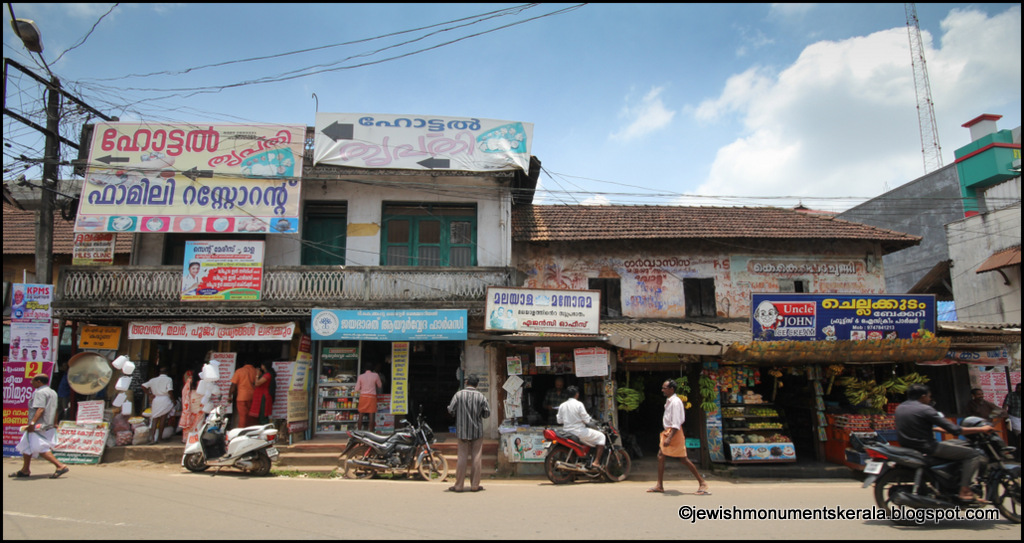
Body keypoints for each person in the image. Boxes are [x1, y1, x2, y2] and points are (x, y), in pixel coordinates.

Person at [895, 383, 994, 503]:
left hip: (909, 446)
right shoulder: (925, 409)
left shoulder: (901, 407)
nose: (930, 399)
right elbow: (955, 430)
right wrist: (981, 429)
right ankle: (964, 490)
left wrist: (934, 428)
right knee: (972, 454)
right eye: (929, 396)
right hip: (928, 447)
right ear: (923, 396)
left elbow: (914, 425)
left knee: (957, 444)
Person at [648, 380, 709, 495]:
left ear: (671, 389)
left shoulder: (675, 402)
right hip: (669, 431)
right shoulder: (670, 401)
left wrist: (670, 437)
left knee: (683, 459)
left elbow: (676, 422)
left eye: (664, 388)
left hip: (674, 432)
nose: (663, 390)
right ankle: (659, 485)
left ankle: (702, 482)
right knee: (661, 456)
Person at [10, 375, 70, 479]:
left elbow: (40, 409)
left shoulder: (39, 392)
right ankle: (25, 470)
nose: (30, 382)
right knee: (25, 445)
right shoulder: (52, 392)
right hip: (47, 424)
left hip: (39, 425)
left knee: (40, 447)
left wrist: (32, 424)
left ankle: (60, 466)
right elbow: (55, 409)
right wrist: (55, 423)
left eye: (32, 380)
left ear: (38, 381)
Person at [447, 374, 490, 493]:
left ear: (466, 383)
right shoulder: (481, 397)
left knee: (462, 457)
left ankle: (459, 486)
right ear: (477, 384)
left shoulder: (459, 395)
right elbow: (487, 414)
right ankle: (475, 485)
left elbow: (451, 410)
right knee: (476, 457)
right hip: (477, 431)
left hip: (462, 431)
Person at [557, 385, 605, 471]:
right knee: (601, 437)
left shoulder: (562, 405)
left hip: (567, 432)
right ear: (576, 394)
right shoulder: (579, 404)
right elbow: (586, 420)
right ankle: (596, 462)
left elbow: (559, 421)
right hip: (579, 432)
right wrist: (594, 422)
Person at [142, 366, 174, 444]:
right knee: (163, 419)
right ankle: (159, 438)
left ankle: (152, 438)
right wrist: (173, 400)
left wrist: (149, 394)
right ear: (167, 373)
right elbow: (169, 390)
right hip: (165, 399)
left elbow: (143, 386)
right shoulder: (169, 379)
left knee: (155, 419)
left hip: (156, 399)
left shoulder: (153, 380)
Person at [229, 361, 259, 429]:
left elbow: (233, 386)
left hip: (242, 397)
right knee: (252, 416)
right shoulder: (256, 372)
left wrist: (229, 396)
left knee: (243, 416)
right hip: (253, 397)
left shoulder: (239, 371)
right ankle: (253, 431)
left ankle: (241, 431)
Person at [355, 364, 383, 432]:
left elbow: (357, 388)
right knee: (371, 416)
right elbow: (380, 385)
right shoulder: (375, 375)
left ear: (364, 369)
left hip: (363, 397)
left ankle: (359, 431)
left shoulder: (361, 376)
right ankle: (371, 432)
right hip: (372, 397)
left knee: (361, 415)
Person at [1004, 383, 1021, 461]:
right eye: (1018, 388)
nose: (1018, 390)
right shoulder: (1011, 395)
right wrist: (1005, 415)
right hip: (1014, 416)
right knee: (1018, 434)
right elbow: (1005, 405)